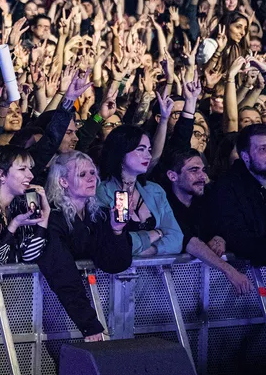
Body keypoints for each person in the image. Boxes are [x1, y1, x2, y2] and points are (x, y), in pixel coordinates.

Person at [39, 152, 132, 340]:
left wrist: (116, 231)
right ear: (63, 182)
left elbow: (115, 264)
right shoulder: (52, 218)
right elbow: (62, 271)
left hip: (85, 306)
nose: (92, 178)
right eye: (82, 175)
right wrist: (88, 323)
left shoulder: (99, 215)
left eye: (92, 173)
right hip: (50, 303)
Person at [159, 149, 253, 293]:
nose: (203, 176)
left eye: (203, 170)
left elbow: (224, 225)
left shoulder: (208, 198)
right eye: (194, 170)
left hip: (201, 287)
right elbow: (188, 240)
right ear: (172, 176)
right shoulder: (163, 202)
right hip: (162, 288)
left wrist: (220, 237)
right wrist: (231, 272)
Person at [96, 125, 183, 256]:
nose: (148, 156)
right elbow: (114, 243)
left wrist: (152, 250)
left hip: (156, 272)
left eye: (149, 150)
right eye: (141, 149)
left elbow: (177, 239)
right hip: (118, 274)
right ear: (121, 152)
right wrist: (157, 233)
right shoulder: (102, 192)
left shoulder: (155, 190)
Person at [209, 123, 266, 266]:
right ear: (245, 156)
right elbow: (239, 239)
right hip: (247, 277)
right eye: (263, 149)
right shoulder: (227, 188)